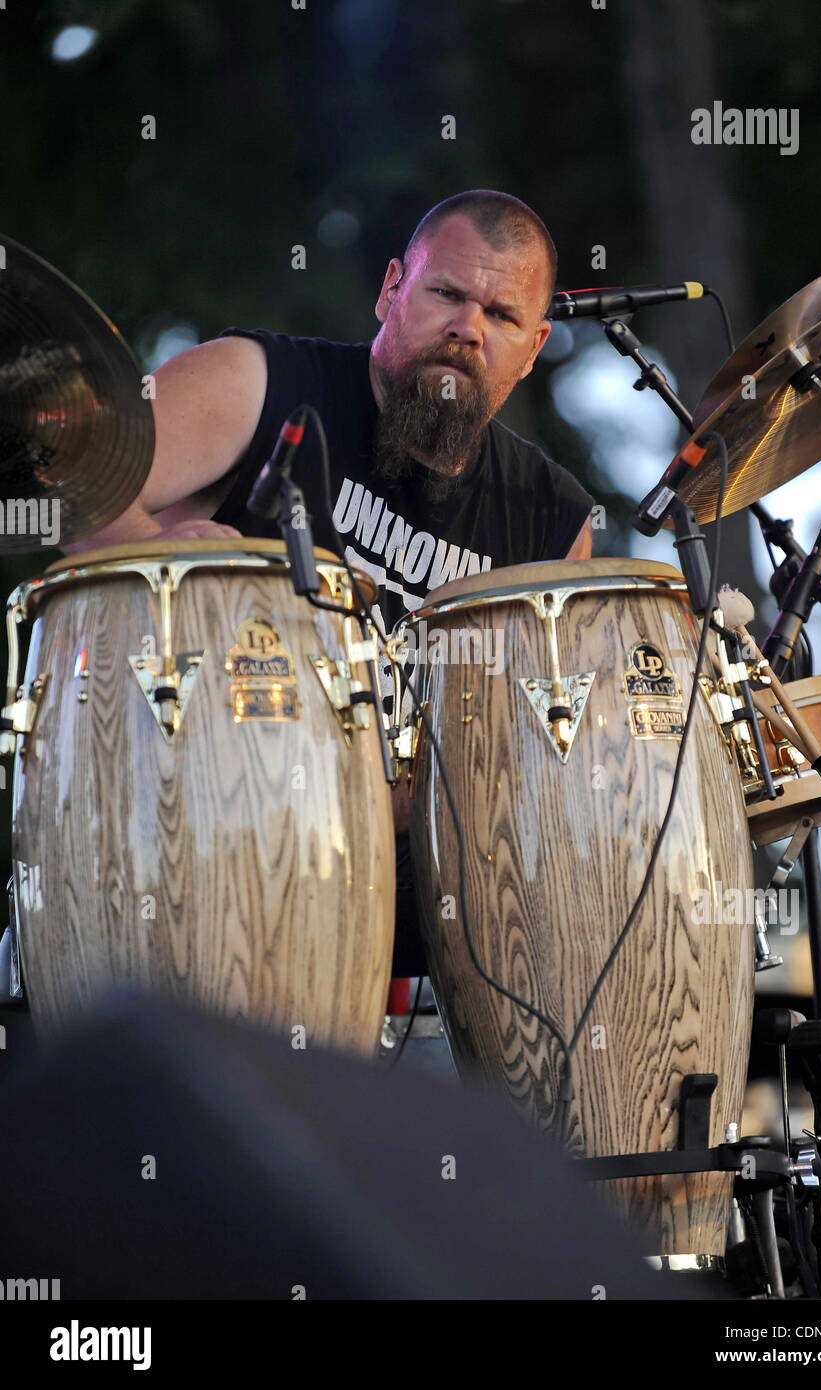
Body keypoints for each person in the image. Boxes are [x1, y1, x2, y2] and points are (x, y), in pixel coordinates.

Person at [64, 189, 596, 976]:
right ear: (391, 291)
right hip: (204, 829)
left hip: (422, 876)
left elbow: (543, 748)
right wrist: (172, 555)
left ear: (533, 345)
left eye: (502, 316)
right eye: (445, 293)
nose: (467, 329)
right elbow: (80, 494)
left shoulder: (552, 520)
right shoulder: (258, 381)